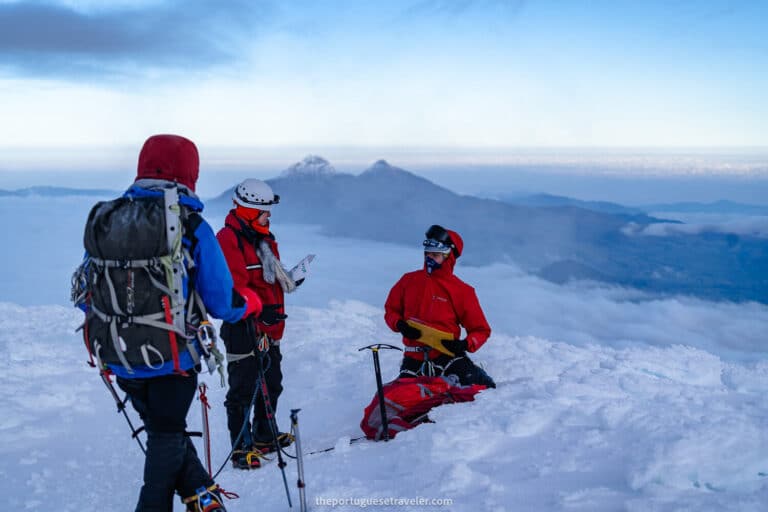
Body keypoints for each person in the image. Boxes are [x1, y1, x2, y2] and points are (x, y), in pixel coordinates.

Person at [74, 134, 263, 512]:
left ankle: (202, 495)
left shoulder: (107, 221)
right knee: (166, 435)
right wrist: (252, 303)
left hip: (118, 357)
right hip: (173, 359)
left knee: (166, 430)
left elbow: (86, 295)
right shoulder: (191, 225)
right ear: (189, 174)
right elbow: (222, 302)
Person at [216, 179, 300, 470]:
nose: (269, 216)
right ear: (250, 211)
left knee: (271, 383)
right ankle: (241, 448)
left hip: (268, 325)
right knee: (243, 389)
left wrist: (289, 280)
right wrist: (260, 313)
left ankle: (264, 436)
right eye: (264, 212)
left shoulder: (263, 239)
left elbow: (266, 282)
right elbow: (234, 289)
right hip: (243, 327)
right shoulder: (228, 240)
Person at [384, 224, 496, 388]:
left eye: (435, 255)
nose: (429, 258)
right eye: (427, 253)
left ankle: (471, 377)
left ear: (449, 256)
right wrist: (400, 324)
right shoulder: (408, 281)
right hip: (414, 358)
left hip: (447, 356)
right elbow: (391, 310)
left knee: (482, 388)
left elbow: (481, 330)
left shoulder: (462, 291)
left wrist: (464, 344)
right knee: (404, 395)